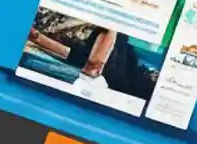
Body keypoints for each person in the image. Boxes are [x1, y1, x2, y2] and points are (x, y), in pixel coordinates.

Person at [27, 25, 155, 98]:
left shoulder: (112, 69)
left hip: (115, 78)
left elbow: (81, 58)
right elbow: (73, 54)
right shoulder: (128, 61)